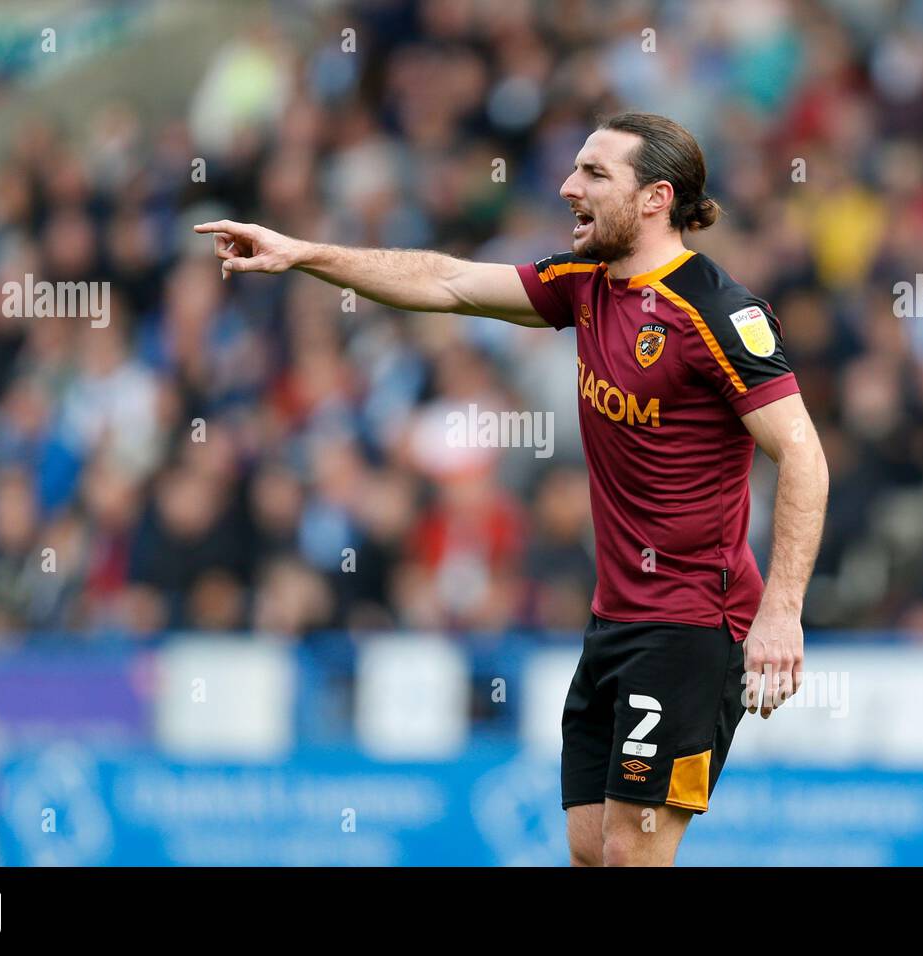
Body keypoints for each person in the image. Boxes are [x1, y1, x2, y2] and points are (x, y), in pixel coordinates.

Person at [195, 111, 829, 866]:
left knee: (634, 852)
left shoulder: (717, 313)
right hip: (616, 618)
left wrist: (782, 614)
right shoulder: (584, 286)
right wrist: (303, 254)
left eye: (595, 174)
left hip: (693, 621)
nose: (568, 186)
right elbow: (447, 280)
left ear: (657, 198)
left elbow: (802, 454)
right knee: (590, 848)